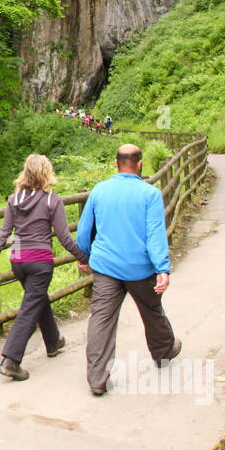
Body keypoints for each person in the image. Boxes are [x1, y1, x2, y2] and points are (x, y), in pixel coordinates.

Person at [74, 143, 181, 395]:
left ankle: (97, 378)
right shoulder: (150, 194)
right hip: (140, 268)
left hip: (106, 267)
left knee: (101, 318)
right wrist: (162, 268)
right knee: (152, 310)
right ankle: (164, 351)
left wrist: (84, 254)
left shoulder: (99, 190)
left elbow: (83, 229)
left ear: (116, 163)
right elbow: (155, 234)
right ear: (140, 163)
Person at [0, 154, 92, 381]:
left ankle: (53, 342)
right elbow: (64, 237)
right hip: (40, 262)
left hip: (18, 261)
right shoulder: (51, 200)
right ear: (47, 173)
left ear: (25, 172)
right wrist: (83, 257)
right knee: (29, 308)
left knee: (37, 298)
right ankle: (11, 361)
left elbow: (5, 232)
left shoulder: (14, 199)